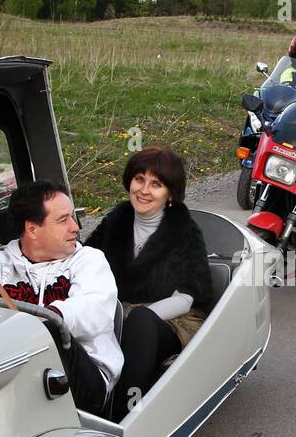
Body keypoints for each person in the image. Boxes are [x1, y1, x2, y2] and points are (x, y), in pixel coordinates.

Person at [0, 181, 122, 414]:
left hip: (85, 378)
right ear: (32, 229)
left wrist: (46, 319)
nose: (75, 227)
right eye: (63, 220)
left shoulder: (89, 260)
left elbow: (94, 311)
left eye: (72, 217)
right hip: (10, 374)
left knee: (51, 331)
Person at [85, 148, 215, 422]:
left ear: (170, 193)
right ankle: (85, 404)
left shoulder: (185, 230)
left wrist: (132, 315)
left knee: (141, 321)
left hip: (173, 318)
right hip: (119, 309)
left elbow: (187, 296)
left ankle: (124, 414)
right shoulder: (114, 222)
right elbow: (86, 263)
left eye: (156, 184)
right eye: (139, 179)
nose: (144, 190)